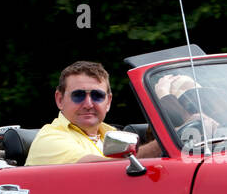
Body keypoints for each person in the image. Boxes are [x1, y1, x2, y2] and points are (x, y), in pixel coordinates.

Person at [25, 61, 162, 166]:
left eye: (97, 96)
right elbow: (111, 171)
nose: (88, 104)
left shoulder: (113, 134)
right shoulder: (50, 139)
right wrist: (162, 145)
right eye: (78, 95)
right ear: (60, 100)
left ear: (108, 102)